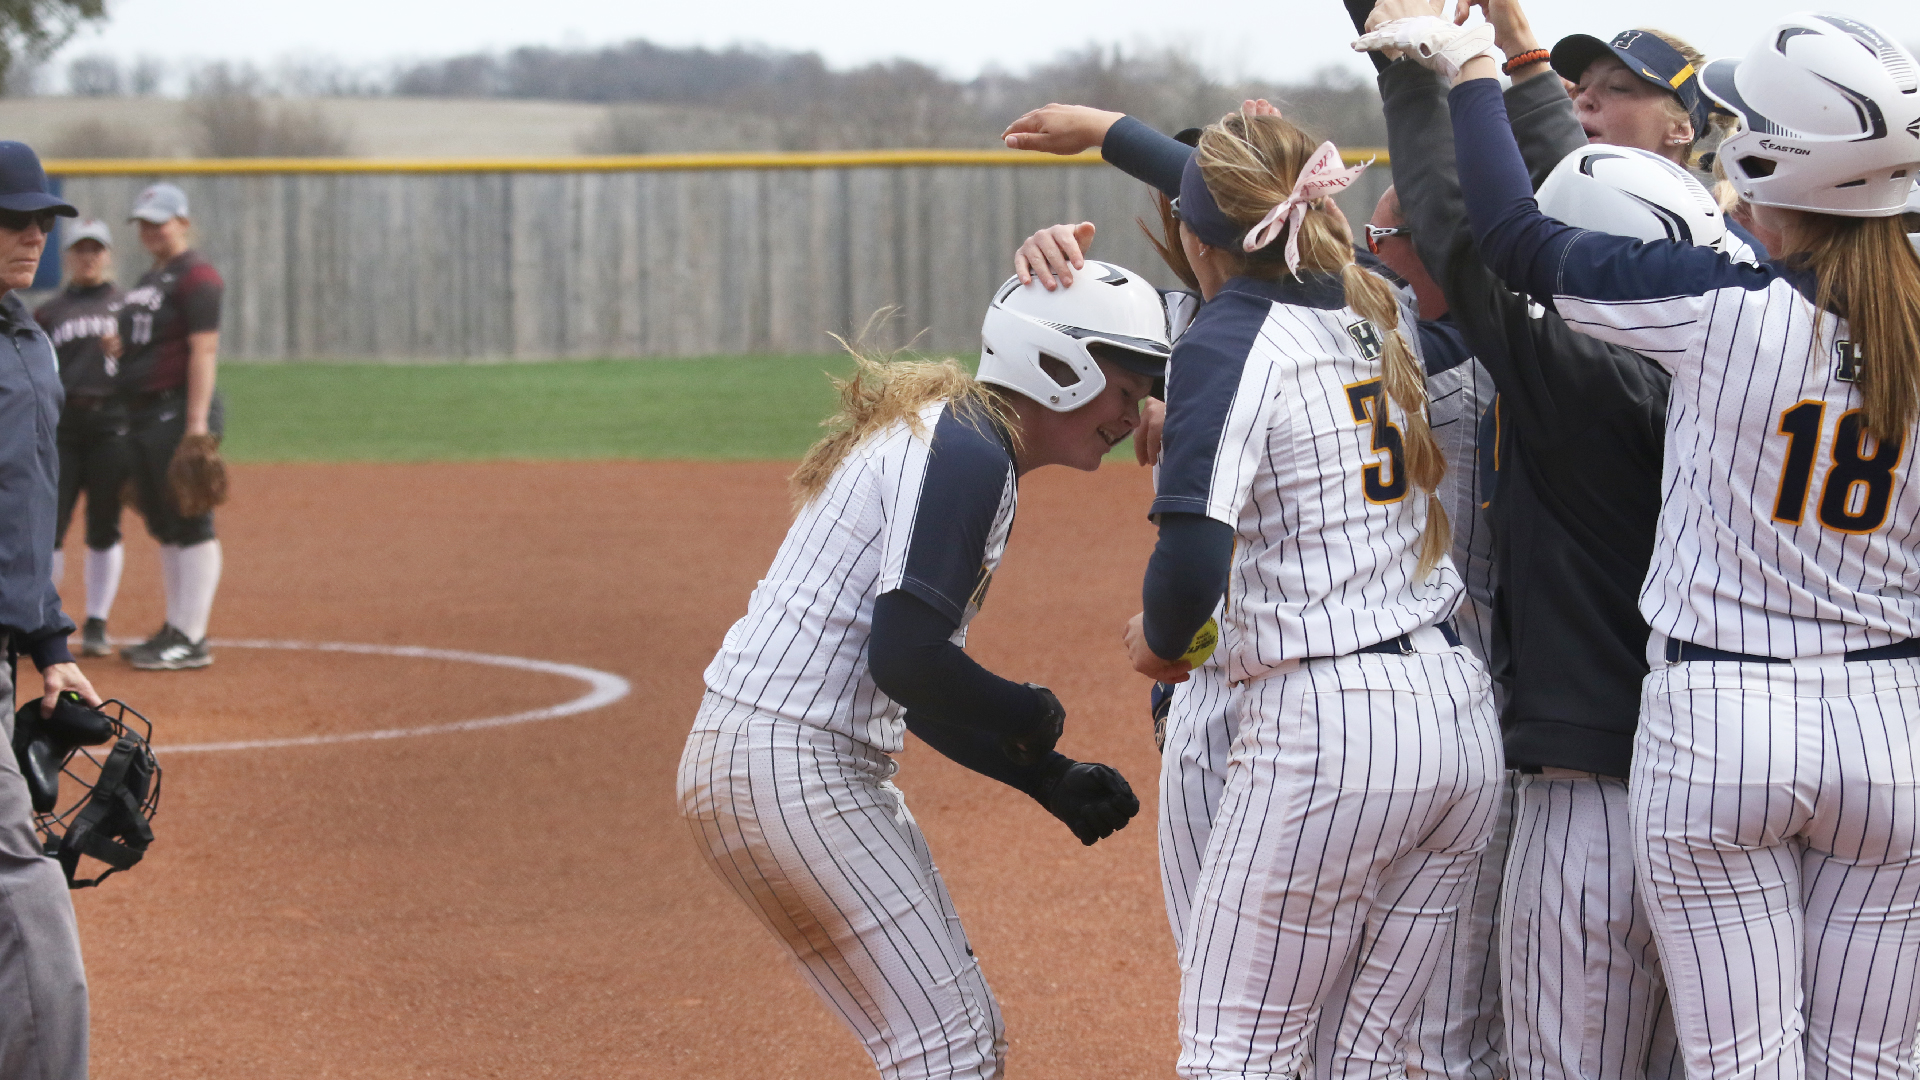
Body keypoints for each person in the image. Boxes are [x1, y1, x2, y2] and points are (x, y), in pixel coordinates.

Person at [1420, 8, 1920, 1077]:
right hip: (1893, 730)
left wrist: (1468, 72)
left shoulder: (1723, 307)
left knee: (1743, 1060)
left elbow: (1511, 239)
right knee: (1873, 1062)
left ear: (1769, 156)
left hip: (1723, 725)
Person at [1006, 100, 1503, 1080]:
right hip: (1453, 718)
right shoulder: (1375, 302)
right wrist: (1110, 129)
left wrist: (1166, 641)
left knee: (1237, 1050)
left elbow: (1190, 571)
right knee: (1379, 1057)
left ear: (1194, 234)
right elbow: (1226, 189)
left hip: (1326, 734)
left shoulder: (1227, 339)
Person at [677, 268, 1162, 1079]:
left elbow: (914, 676)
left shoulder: (961, 437)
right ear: (1057, 364)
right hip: (794, 766)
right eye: (1126, 383)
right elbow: (906, 658)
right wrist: (1027, 710)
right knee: (951, 1046)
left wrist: (1044, 775)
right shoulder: (969, 454)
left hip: (759, 758)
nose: (1131, 411)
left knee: (935, 1042)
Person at [0, 138, 104, 1080]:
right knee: (19, 880)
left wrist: (46, 640)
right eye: (11, 219)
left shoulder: (25, 338)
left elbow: (23, 500)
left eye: (41, 219)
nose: (30, 234)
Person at [107, 182, 225, 671]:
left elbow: (204, 350)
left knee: (190, 516)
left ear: (183, 222)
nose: (152, 230)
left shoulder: (197, 276)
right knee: (164, 520)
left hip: (178, 409)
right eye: (145, 222)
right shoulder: (153, 276)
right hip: (144, 412)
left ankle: (192, 637)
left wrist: (196, 425)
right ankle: (175, 627)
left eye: (161, 220)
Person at [35, 219, 127, 658]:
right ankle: (42, 621)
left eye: (96, 249)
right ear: (69, 256)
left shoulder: (128, 308)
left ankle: (96, 622)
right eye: (80, 249)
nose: (88, 257)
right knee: (50, 525)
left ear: (107, 254)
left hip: (112, 422)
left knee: (104, 526)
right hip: (64, 426)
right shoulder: (49, 312)